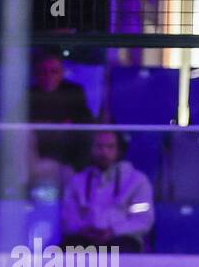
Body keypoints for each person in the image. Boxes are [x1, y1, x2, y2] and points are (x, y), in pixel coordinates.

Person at [60, 130, 155, 251]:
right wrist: (82, 229)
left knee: (122, 251)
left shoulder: (138, 181)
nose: (104, 152)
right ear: (91, 149)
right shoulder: (78, 181)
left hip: (122, 239)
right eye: (99, 146)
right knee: (65, 252)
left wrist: (113, 230)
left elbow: (142, 220)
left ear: (119, 150)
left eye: (110, 147)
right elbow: (68, 217)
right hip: (84, 239)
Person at [29, 51, 95, 184]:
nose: (48, 76)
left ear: (62, 73)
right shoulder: (29, 95)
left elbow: (83, 125)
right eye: (43, 71)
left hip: (68, 160)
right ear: (36, 74)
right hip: (37, 159)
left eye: (54, 71)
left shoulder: (74, 92)